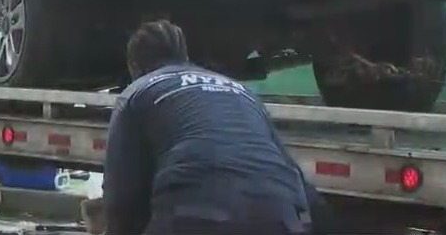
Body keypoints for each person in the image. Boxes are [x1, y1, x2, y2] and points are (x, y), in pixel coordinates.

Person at [101, 20, 334, 235]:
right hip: (280, 219)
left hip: (195, 219)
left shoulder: (137, 92)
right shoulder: (241, 91)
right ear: (185, 56)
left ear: (134, 66)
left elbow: (122, 196)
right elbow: (295, 175)